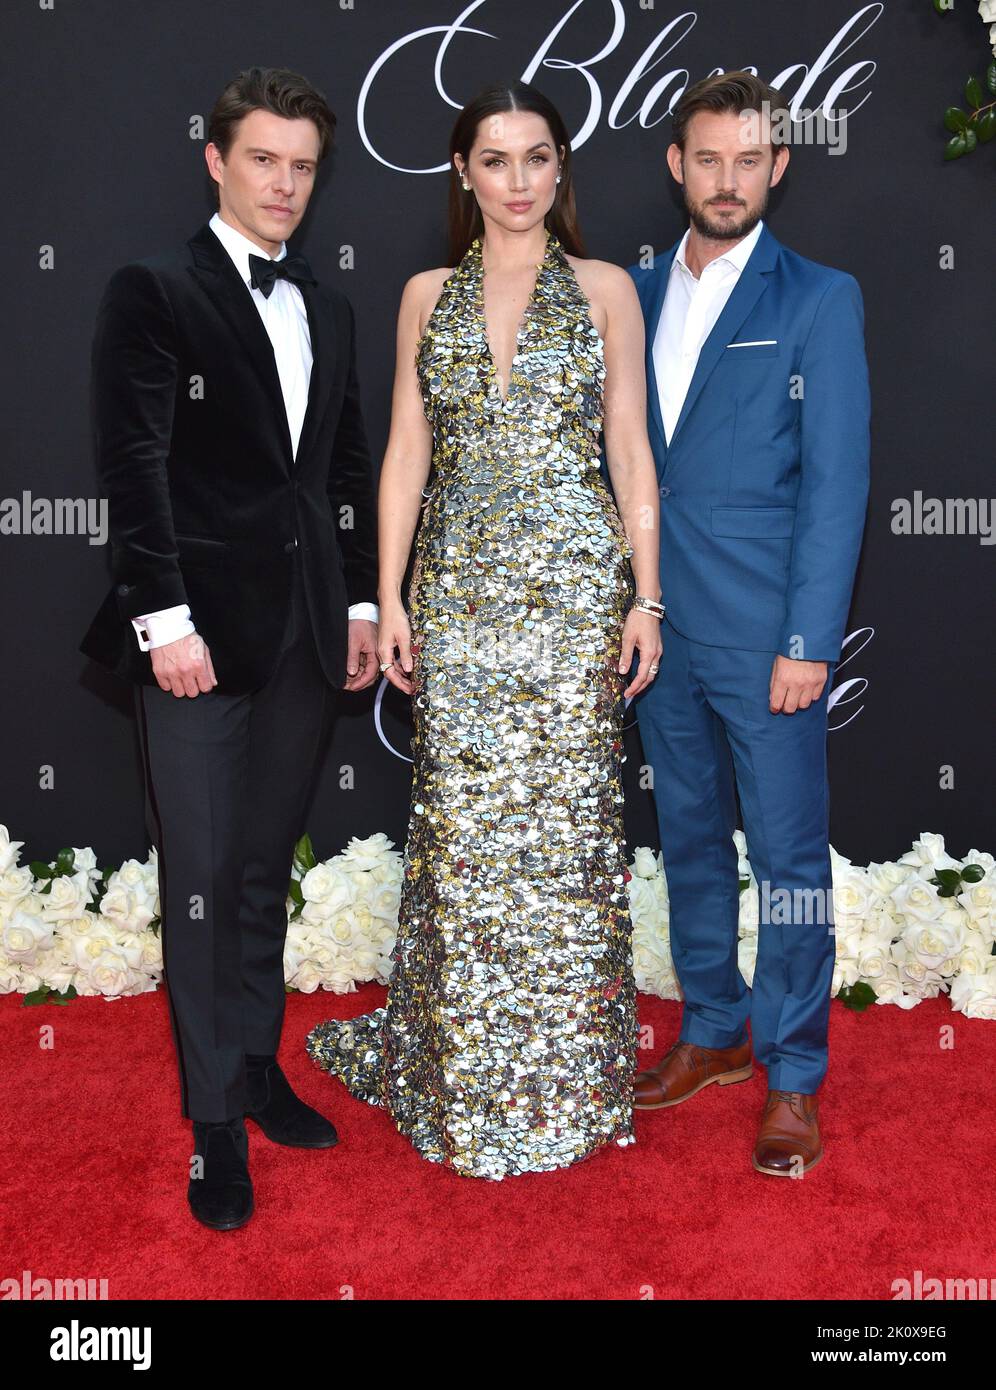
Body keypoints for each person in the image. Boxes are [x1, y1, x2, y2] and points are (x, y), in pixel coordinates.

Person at [306, 80, 663, 1180]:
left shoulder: (606, 288)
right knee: (465, 844)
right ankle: (462, 1074)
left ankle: (566, 1081)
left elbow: (631, 450)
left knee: (564, 845)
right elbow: (405, 449)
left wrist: (647, 597)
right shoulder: (423, 293)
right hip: (459, 592)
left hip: (570, 601)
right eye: (495, 160)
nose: (518, 181)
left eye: (537, 158)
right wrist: (394, 591)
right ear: (462, 172)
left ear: (563, 171)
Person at [79, 66, 380, 1229]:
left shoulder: (331, 306)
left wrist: (358, 605)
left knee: (261, 869)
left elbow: (341, 473)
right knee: (200, 888)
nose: (286, 185)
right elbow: (134, 465)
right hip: (196, 642)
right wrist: (166, 623)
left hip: (307, 637)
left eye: (304, 166)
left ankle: (256, 1068)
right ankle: (213, 1125)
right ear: (216, 159)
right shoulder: (154, 289)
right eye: (265, 160)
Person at [629, 72, 870, 1176]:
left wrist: (809, 642)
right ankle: (715, 1032)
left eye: (749, 160)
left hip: (766, 632)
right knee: (687, 842)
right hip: (655, 631)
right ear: (678, 165)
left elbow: (836, 485)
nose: (728, 180)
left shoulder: (819, 297)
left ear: (779, 166)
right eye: (707, 158)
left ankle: (795, 1075)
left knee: (785, 860)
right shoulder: (624, 292)